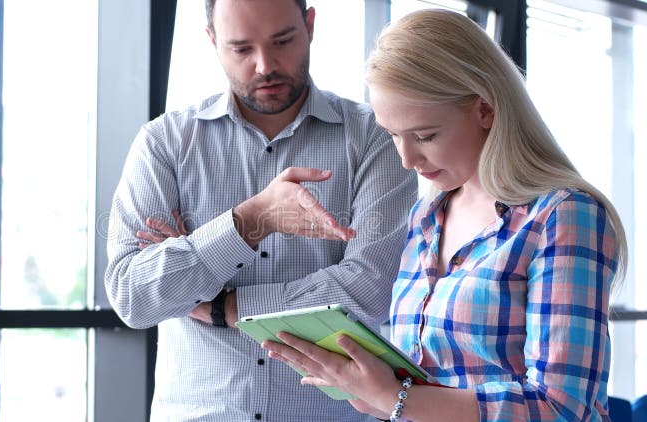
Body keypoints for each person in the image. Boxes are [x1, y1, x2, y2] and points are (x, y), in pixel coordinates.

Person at [262, 9, 627, 422]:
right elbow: (423, 385)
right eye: (393, 135)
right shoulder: (426, 218)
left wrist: (394, 396)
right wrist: (363, 385)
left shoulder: (563, 217)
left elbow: (562, 408)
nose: (407, 159)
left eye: (425, 136)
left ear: (486, 109)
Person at [104, 0, 417, 420]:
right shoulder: (164, 144)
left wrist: (222, 304)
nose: (265, 65)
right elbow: (134, 297)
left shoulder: (375, 139)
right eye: (240, 48)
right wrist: (251, 221)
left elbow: (370, 291)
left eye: (282, 41)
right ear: (213, 41)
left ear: (309, 25)